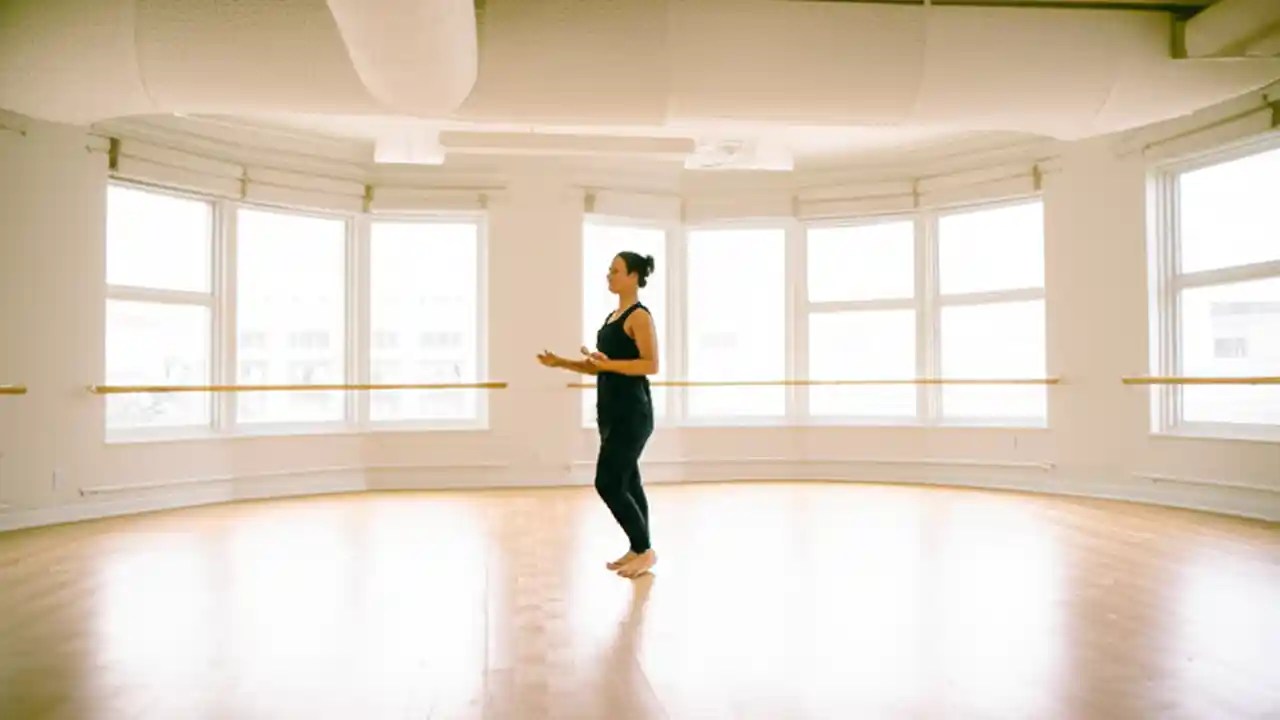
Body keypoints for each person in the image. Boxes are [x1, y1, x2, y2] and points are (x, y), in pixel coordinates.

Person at [538, 251, 659, 579]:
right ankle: (638, 548)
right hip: (611, 411)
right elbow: (601, 368)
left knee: (607, 482)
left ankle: (645, 550)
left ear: (633, 276)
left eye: (616, 271)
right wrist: (561, 362)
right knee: (628, 480)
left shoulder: (639, 316)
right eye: (609, 271)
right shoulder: (612, 317)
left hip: (633, 411)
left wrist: (608, 365)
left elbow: (650, 364)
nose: (609, 276)